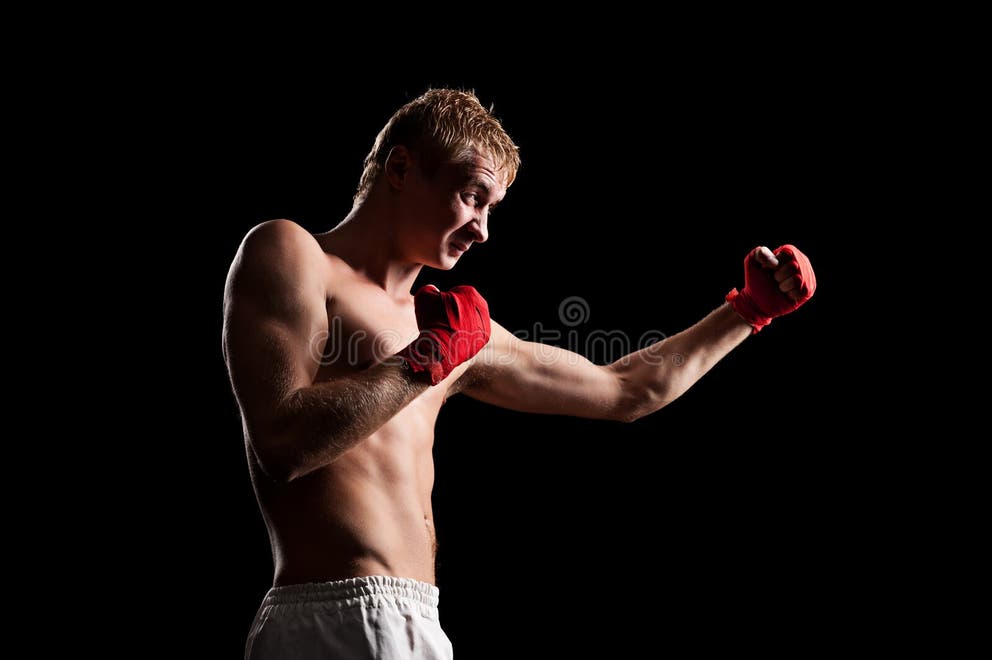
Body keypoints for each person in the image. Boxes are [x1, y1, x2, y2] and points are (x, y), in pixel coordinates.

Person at [223, 88, 816, 659]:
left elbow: (624, 390)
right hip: (327, 617)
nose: (483, 229)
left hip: (420, 620)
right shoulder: (295, 254)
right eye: (472, 195)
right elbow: (282, 443)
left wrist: (747, 312)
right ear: (400, 168)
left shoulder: (457, 331)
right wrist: (427, 360)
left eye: (492, 209)